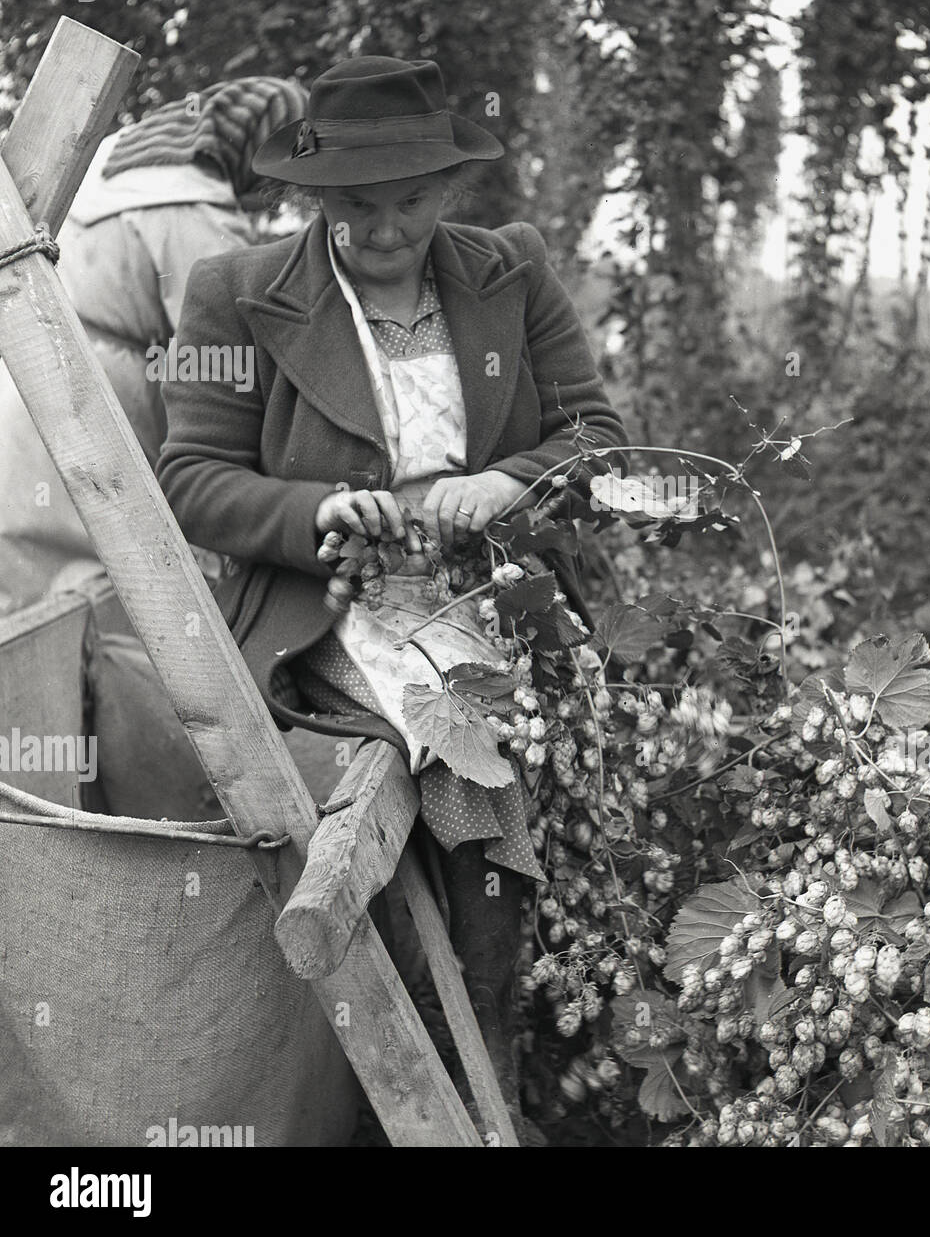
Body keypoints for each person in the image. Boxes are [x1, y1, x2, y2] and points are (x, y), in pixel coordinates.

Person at [156, 55, 628, 1137]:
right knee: (459, 738)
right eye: (355, 206)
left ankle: (477, 1044)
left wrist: (502, 482)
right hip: (331, 608)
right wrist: (320, 508)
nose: (381, 229)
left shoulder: (508, 272)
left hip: (487, 595)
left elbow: (596, 437)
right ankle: (462, 1068)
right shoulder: (236, 295)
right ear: (314, 197)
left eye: (408, 202)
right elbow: (191, 477)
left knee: (484, 722)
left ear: (452, 189)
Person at [0, 77, 308, 612]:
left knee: (31, 578)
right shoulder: (188, 208)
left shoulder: (113, 173)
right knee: (104, 586)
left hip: (30, 369)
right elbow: (230, 350)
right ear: (252, 144)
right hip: (100, 398)